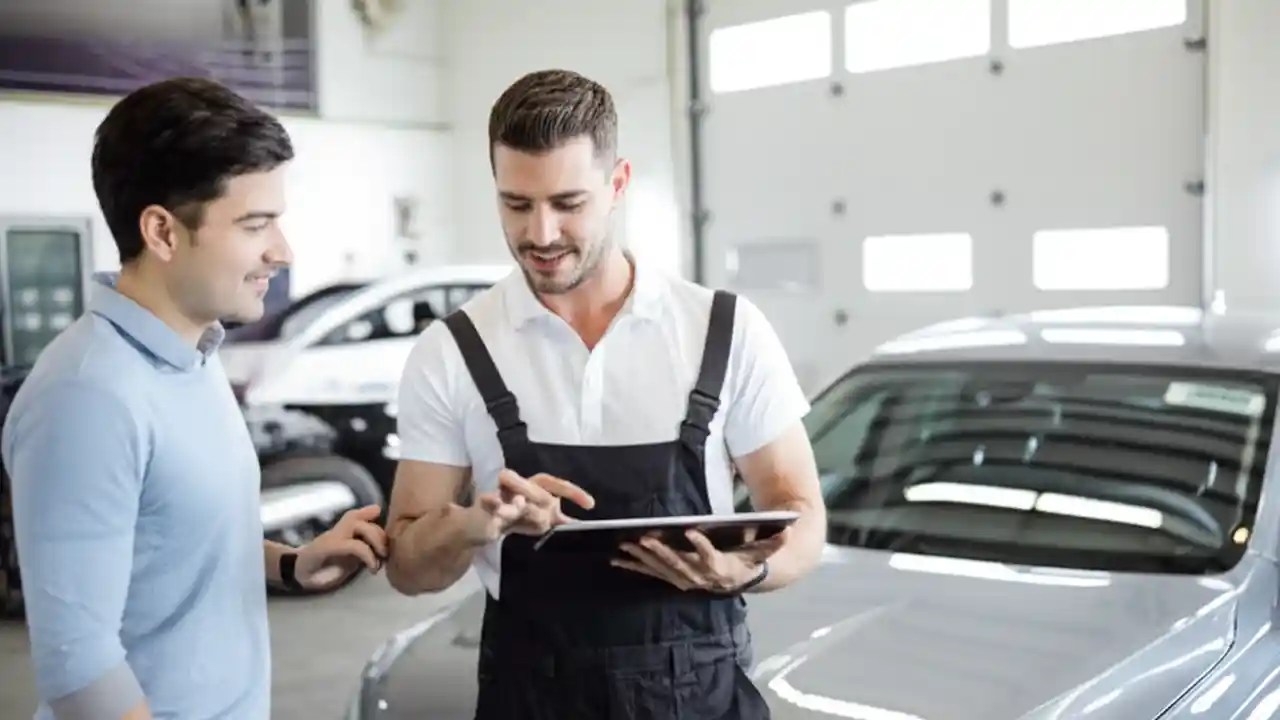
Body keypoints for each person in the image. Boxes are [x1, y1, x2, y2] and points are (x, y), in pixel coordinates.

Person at [384, 68, 827, 719]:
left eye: (568, 203)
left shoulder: (723, 331)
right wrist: (478, 524)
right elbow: (408, 567)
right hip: (529, 694)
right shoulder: (452, 352)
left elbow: (803, 517)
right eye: (516, 203)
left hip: (698, 696)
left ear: (617, 184)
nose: (540, 234)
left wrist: (748, 572)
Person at [0, 77, 388, 720]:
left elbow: (167, 544)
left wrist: (292, 565)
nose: (282, 251)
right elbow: (79, 665)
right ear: (162, 231)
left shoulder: (194, 354)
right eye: (254, 224)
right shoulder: (86, 396)